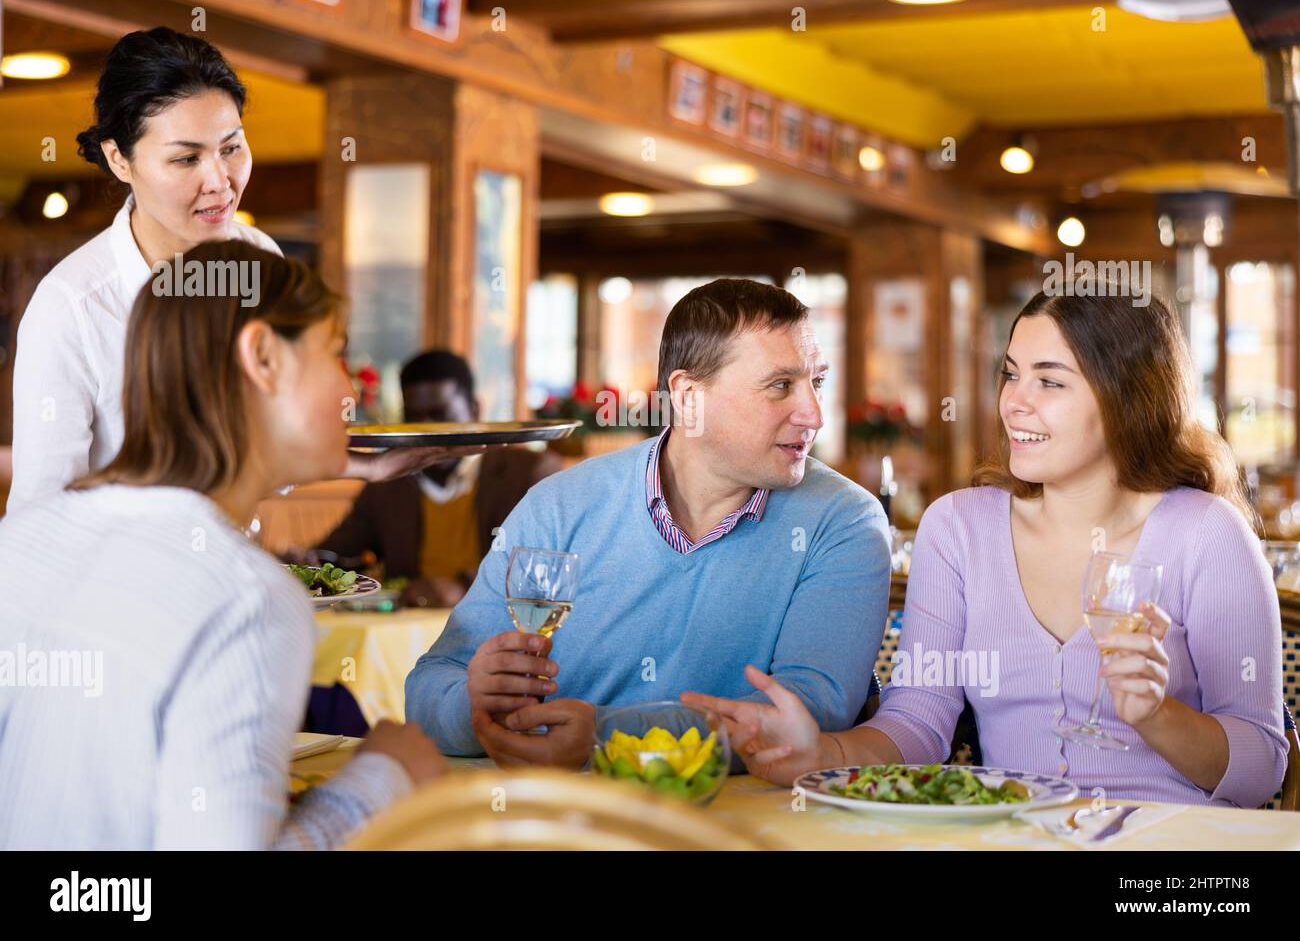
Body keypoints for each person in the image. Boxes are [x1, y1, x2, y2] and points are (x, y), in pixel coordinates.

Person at [685, 288, 1288, 808]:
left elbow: (1263, 769)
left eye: (1049, 381)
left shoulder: (1207, 534)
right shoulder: (957, 528)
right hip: (1006, 835)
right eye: (1010, 373)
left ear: (1128, 398)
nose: (1014, 401)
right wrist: (820, 754)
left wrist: (1158, 715)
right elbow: (921, 720)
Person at [0, 240, 445, 848]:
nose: (351, 389)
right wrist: (383, 779)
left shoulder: (25, 540)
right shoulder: (245, 598)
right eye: (335, 354)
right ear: (262, 356)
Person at [405, 278, 892, 769]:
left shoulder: (844, 522)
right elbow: (430, 686)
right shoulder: (557, 506)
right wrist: (473, 708)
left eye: (817, 382)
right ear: (688, 396)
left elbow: (809, 716)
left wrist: (605, 739)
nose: (813, 414)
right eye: (780, 385)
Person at [9, 27, 472, 513]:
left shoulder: (259, 258)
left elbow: (259, 450)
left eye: (231, 149)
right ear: (119, 158)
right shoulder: (73, 305)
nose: (220, 184)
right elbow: (40, 515)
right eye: (186, 158)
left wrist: (363, 465)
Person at [313, 350, 561, 608]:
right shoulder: (388, 482)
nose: (426, 429)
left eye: (440, 414)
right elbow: (340, 554)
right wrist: (311, 563)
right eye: (414, 417)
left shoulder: (529, 473)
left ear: (475, 410)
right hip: (405, 637)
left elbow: (544, 565)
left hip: (503, 630)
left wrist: (463, 588)